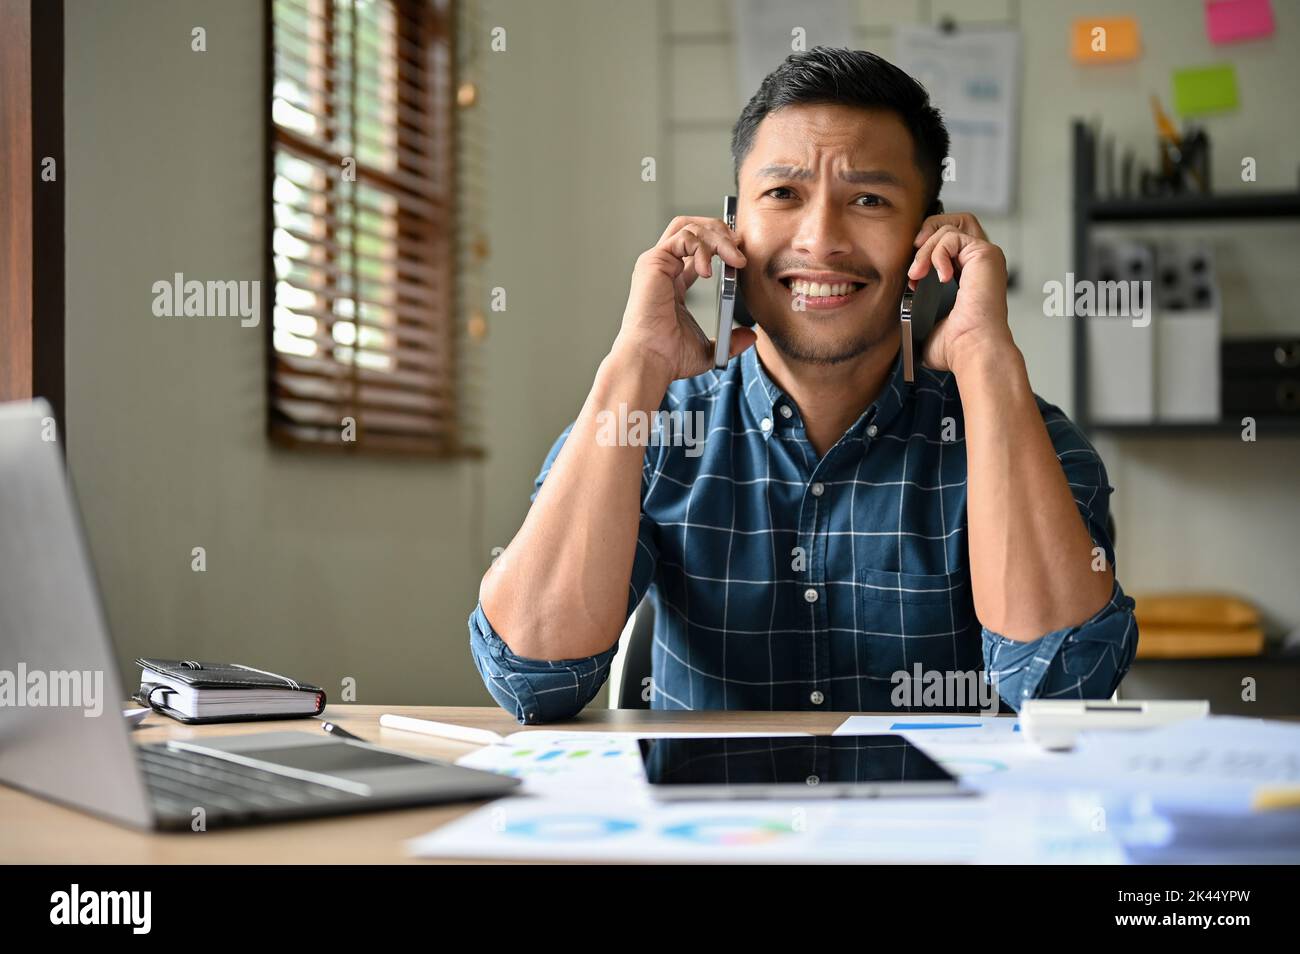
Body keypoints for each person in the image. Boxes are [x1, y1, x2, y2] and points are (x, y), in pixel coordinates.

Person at [470, 47, 1138, 724]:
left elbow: (1061, 689)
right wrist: (634, 363)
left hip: (938, 829)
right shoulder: (652, 424)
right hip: (710, 827)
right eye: (783, 195)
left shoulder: (1028, 437)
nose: (821, 241)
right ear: (734, 228)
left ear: (927, 237)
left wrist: (986, 359)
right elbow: (531, 678)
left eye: (870, 200)